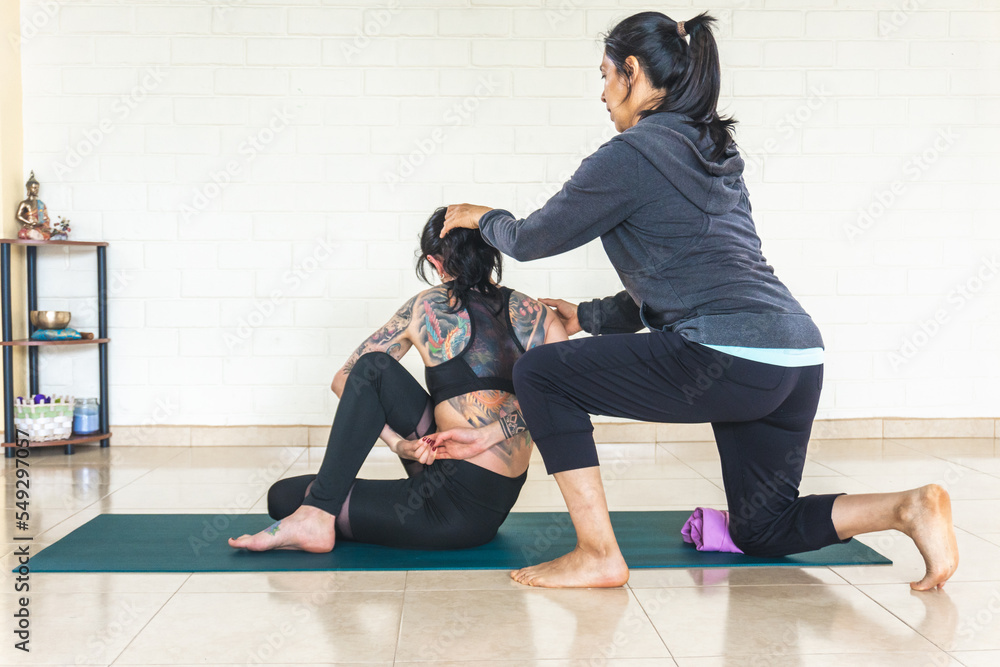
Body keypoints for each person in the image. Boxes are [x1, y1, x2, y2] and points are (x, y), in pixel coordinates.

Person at [435, 11, 958, 589]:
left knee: (541, 375)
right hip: (796, 355)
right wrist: (588, 317)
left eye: (606, 74)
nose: (602, 93)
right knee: (764, 527)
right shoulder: (715, 152)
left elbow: (532, 239)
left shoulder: (629, 155)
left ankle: (597, 554)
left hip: (728, 354)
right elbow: (689, 276)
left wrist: (485, 218)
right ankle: (908, 508)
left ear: (632, 72)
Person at [229, 207, 566, 552]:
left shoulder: (426, 306)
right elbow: (560, 402)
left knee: (283, 496)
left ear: (435, 262)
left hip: (450, 514)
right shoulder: (539, 316)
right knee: (375, 371)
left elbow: (345, 377)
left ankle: (316, 515)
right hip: (490, 500)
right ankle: (319, 510)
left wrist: (395, 442)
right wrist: (404, 445)